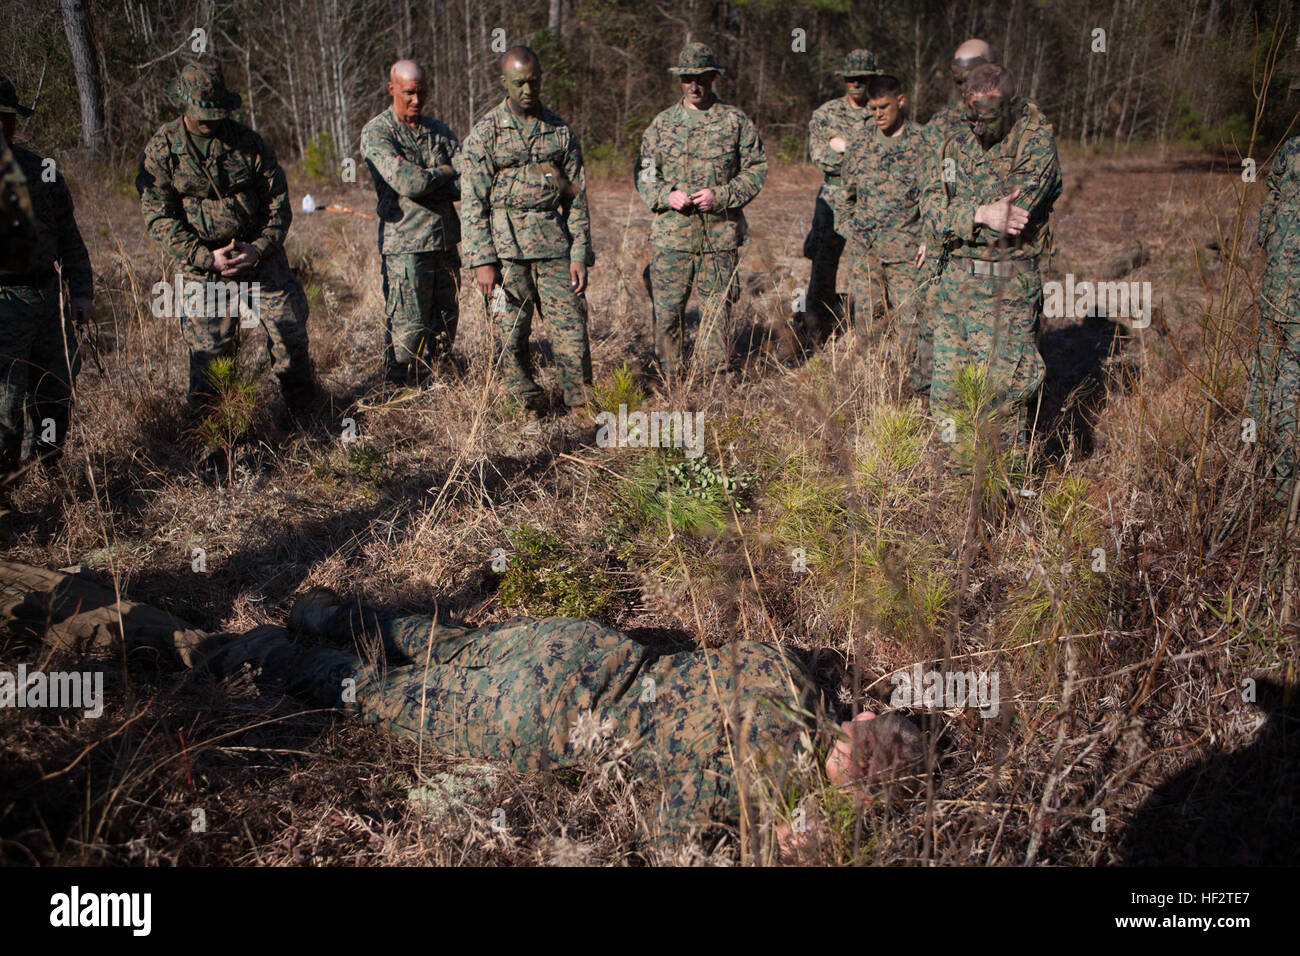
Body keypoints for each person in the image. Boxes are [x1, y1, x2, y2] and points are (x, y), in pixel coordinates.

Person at [0, 557, 922, 851]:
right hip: (541, 723)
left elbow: (777, 657)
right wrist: (795, 837)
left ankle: (333, 608)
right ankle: (226, 646)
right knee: (367, 693)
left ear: (858, 720)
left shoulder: (791, 677)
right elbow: (671, 830)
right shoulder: (763, 790)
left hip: (586, 650)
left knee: (439, 639)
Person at [136, 61, 317, 415]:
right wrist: (206, 257)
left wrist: (258, 249)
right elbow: (158, 216)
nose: (211, 122)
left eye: (216, 114)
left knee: (290, 333)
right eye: (202, 115)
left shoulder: (249, 143)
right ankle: (214, 437)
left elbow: (278, 205)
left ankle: (305, 421)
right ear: (184, 108)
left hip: (260, 259)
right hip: (202, 268)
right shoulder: (162, 151)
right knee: (211, 358)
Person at [919, 63, 1061, 470]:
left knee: (1001, 398)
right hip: (955, 288)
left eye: (988, 117)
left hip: (1006, 291)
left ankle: (1001, 494)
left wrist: (957, 222)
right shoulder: (952, 146)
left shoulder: (1035, 145)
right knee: (946, 395)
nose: (979, 128)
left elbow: (1015, 221)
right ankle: (959, 478)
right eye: (972, 116)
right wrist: (980, 213)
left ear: (1011, 105)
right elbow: (930, 211)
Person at [459, 46, 593, 418]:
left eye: (533, 82)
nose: (527, 90)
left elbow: (576, 199)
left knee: (571, 329)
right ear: (504, 82)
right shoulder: (486, 134)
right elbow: (472, 201)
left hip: (554, 249)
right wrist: (482, 261)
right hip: (506, 253)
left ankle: (580, 401)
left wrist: (580, 253)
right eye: (519, 83)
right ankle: (524, 404)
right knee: (510, 332)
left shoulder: (560, 133)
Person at [637, 43, 766, 380]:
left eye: (702, 79)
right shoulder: (662, 125)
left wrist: (721, 196)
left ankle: (715, 384)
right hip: (672, 237)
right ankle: (669, 380)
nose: (694, 86)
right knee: (667, 313)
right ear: (680, 81)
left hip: (719, 237)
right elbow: (645, 174)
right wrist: (667, 195)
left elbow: (756, 171)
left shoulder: (735, 122)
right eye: (687, 79)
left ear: (713, 78)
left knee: (716, 314)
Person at [0, 75, 93, 505]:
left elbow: (70, 238)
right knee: (6, 404)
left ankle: (47, 471)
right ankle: (5, 492)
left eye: (6, 120)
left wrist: (81, 292)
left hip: (47, 299)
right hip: (2, 304)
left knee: (54, 391)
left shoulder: (44, 171)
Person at [360, 60, 462, 388]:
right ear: (391, 89)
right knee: (408, 329)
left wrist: (431, 178)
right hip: (406, 247)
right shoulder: (378, 132)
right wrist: (444, 173)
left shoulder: (439, 131)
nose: (417, 100)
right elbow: (408, 183)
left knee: (446, 323)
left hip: (444, 243)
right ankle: (399, 393)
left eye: (422, 92)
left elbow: (467, 181)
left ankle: (440, 388)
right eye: (409, 93)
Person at [843, 73, 930, 394]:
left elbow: (933, 198)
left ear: (901, 101)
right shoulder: (861, 140)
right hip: (865, 250)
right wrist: (851, 230)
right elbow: (847, 191)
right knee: (868, 319)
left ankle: (909, 386)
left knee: (910, 322)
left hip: (907, 253)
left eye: (883, 107)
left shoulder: (923, 143)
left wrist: (928, 240)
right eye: (872, 109)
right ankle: (869, 387)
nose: (877, 114)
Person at [801, 50, 879, 346]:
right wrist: (864, 154)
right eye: (851, 79)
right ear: (844, 80)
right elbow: (821, 158)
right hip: (832, 199)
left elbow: (889, 156)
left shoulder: (882, 111)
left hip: (870, 198)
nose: (857, 84)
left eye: (863, 79)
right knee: (823, 265)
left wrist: (845, 147)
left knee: (868, 267)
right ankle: (816, 331)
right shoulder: (826, 114)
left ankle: (869, 334)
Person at [1249, 134, 1300, 503]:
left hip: (1274, 289)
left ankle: (1253, 467)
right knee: (1286, 387)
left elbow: (1264, 225)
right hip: (1287, 299)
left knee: (1264, 375)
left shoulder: (1290, 148)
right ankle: (1283, 490)